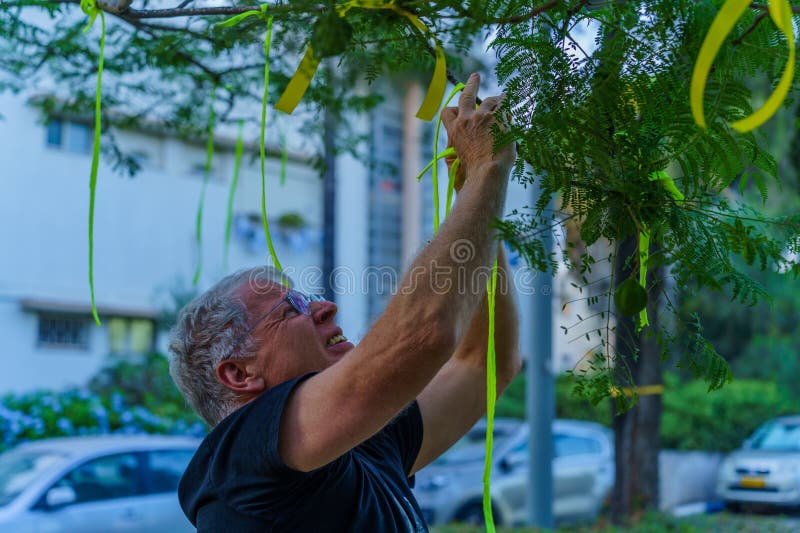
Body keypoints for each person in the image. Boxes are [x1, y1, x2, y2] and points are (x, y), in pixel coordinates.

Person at [169, 73, 521, 532]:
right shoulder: (242, 460)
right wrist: (486, 172)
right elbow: (425, 334)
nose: (326, 308)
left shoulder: (365, 443)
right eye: (293, 309)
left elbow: (484, 363)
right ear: (239, 373)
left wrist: (472, 191)